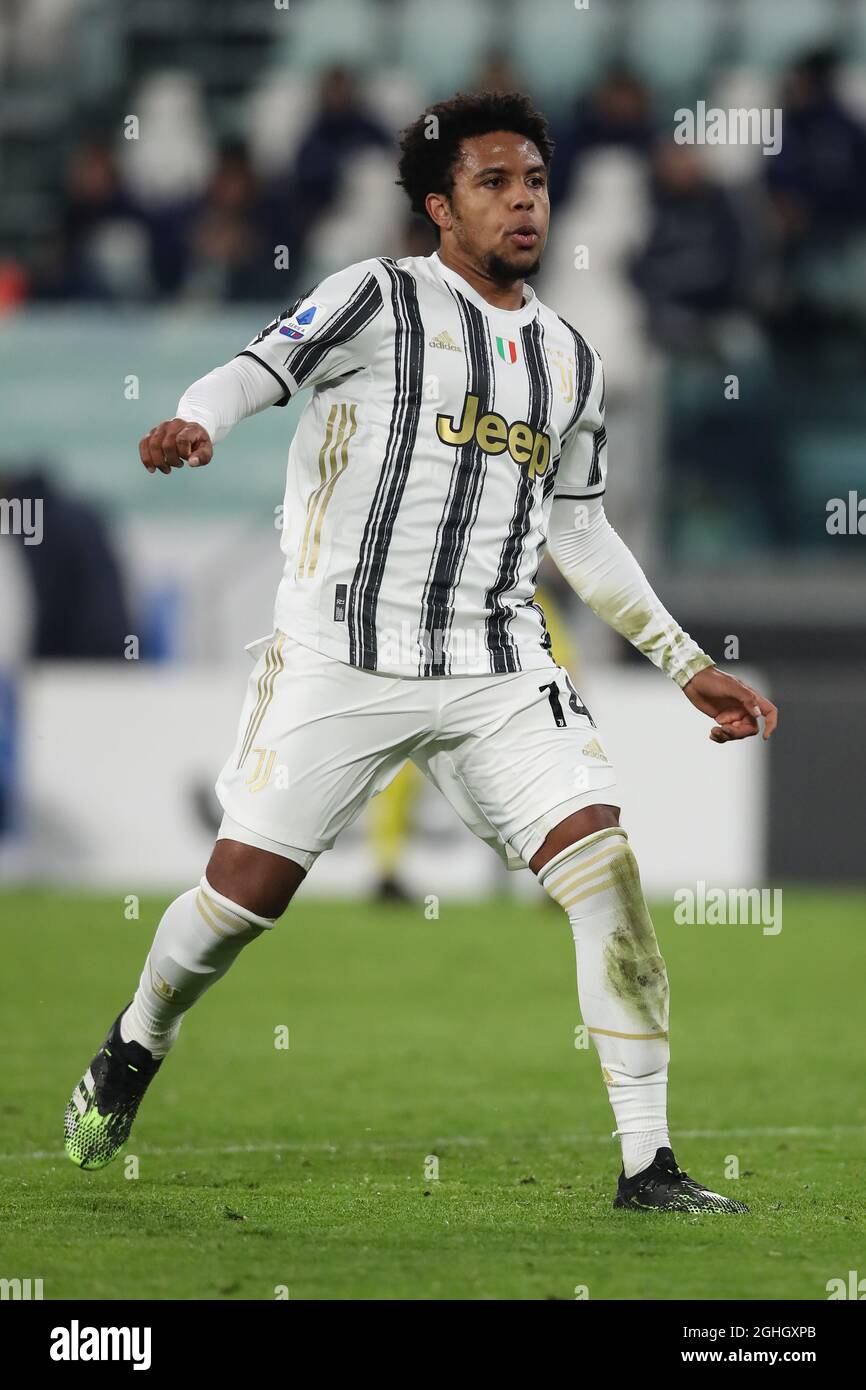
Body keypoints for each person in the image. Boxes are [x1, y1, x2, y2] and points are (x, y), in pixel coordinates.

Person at [64, 92, 777, 1212]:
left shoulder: (569, 361)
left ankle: (648, 1166)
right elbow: (253, 367)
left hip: (495, 663)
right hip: (340, 654)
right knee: (238, 902)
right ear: (441, 207)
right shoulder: (374, 297)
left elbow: (579, 529)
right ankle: (136, 1039)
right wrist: (199, 419)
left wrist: (685, 664)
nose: (523, 201)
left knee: (604, 868)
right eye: (494, 184)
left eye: (534, 181)